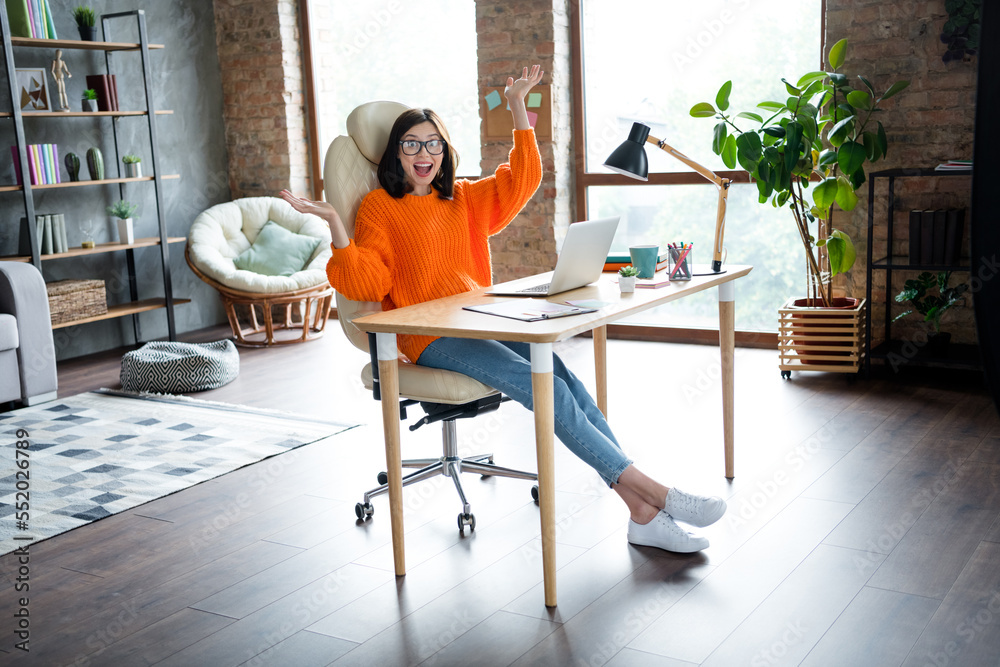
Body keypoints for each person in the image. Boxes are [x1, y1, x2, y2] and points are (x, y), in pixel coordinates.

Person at [281, 65, 726, 553]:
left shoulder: (463, 197)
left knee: (565, 381)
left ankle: (641, 512)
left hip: (479, 318)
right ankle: (656, 495)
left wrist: (517, 106)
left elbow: (522, 179)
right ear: (396, 154)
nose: (423, 153)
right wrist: (336, 229)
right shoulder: (379, 209)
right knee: (545, 387)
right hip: (426, 334)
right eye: (410, 144)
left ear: (444, 150)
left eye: (432, 143)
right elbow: (366, 280)